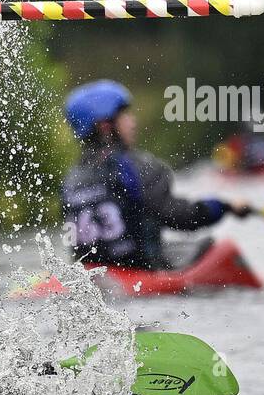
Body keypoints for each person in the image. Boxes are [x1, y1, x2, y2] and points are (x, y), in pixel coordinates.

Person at [60, 80, 251, 270]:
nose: (132, 122)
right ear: (105, 126)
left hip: (91, 275)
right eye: (124, 115)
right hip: (140, 273)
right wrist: (223, 207)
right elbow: (178, 215)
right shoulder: (135, 167)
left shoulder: (71, 178)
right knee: (216, 248)